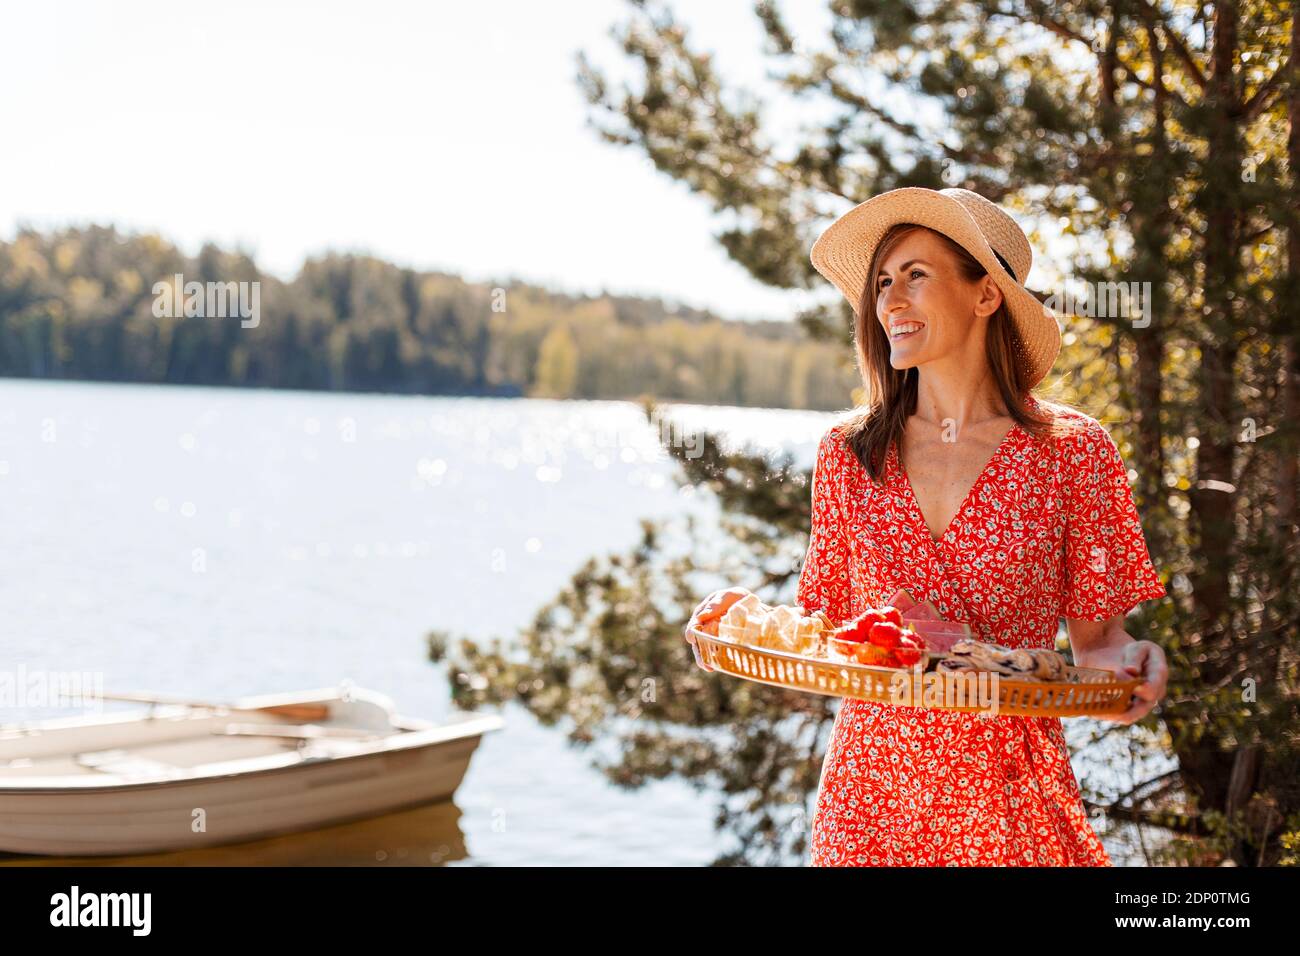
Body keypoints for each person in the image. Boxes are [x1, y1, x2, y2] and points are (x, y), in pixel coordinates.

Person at [686, 187, 1168, 866]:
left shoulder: (1072, 451)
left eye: (915, 274)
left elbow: (1099, 645)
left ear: (986, 295)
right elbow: (822, 637)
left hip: (1009, 807)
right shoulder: (848, 453)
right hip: (869, 804)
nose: (890, 301)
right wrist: (730, 626)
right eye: (882, 282)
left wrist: (1133, 665)